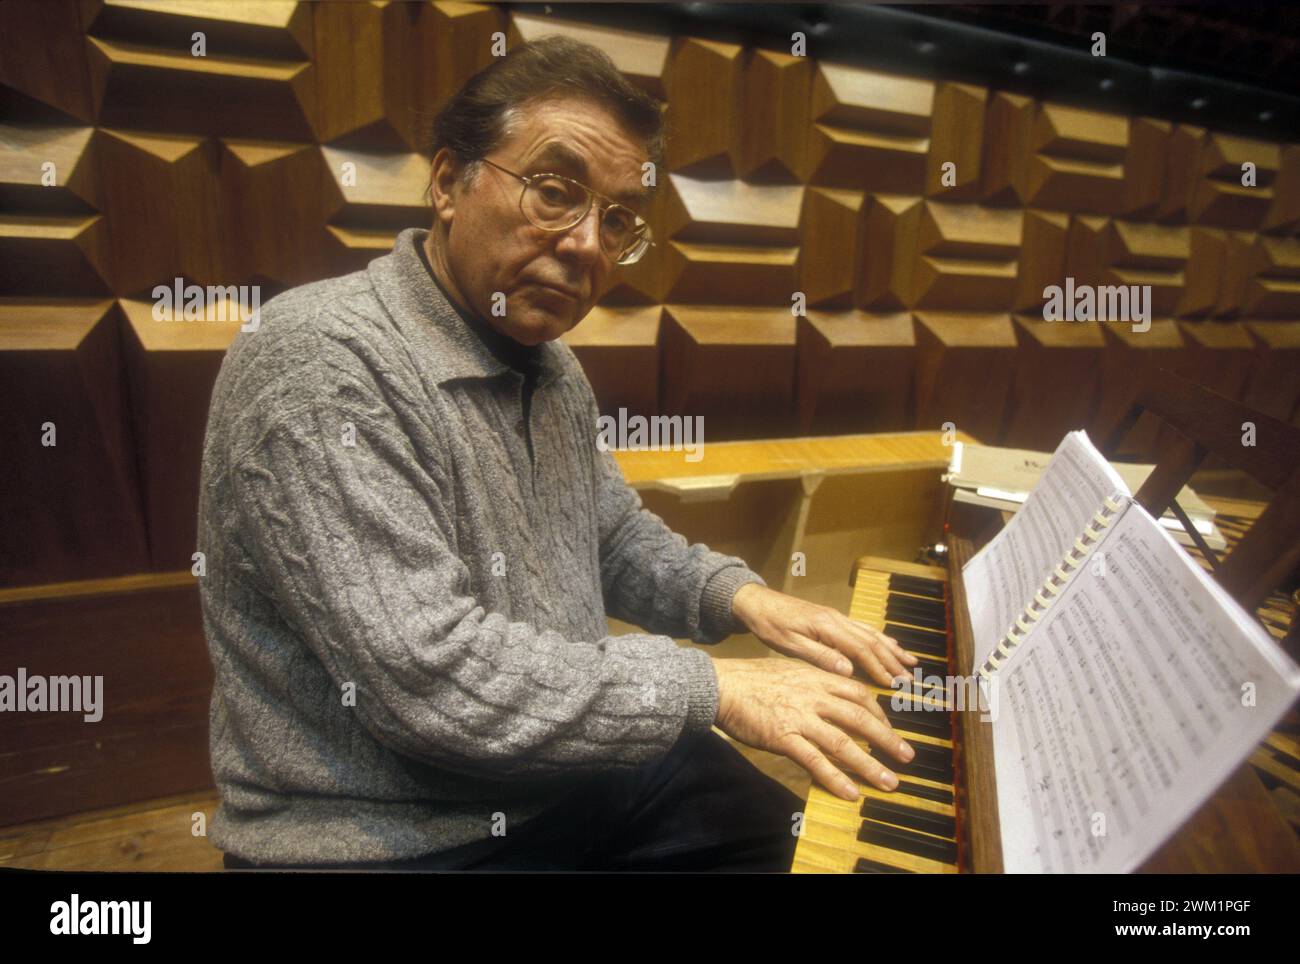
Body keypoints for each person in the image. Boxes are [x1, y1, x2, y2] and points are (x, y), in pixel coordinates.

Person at [200, 35, 917, 873]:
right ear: (446, 183)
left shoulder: (549, 364)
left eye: (617, 220)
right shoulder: (321, 361)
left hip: (562, 772)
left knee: (819, 851)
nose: (586, 244)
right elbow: (429, 682)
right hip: (389, 830)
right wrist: (715, 687)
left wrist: (744, 601)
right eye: (554, 191)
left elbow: (607, 537)